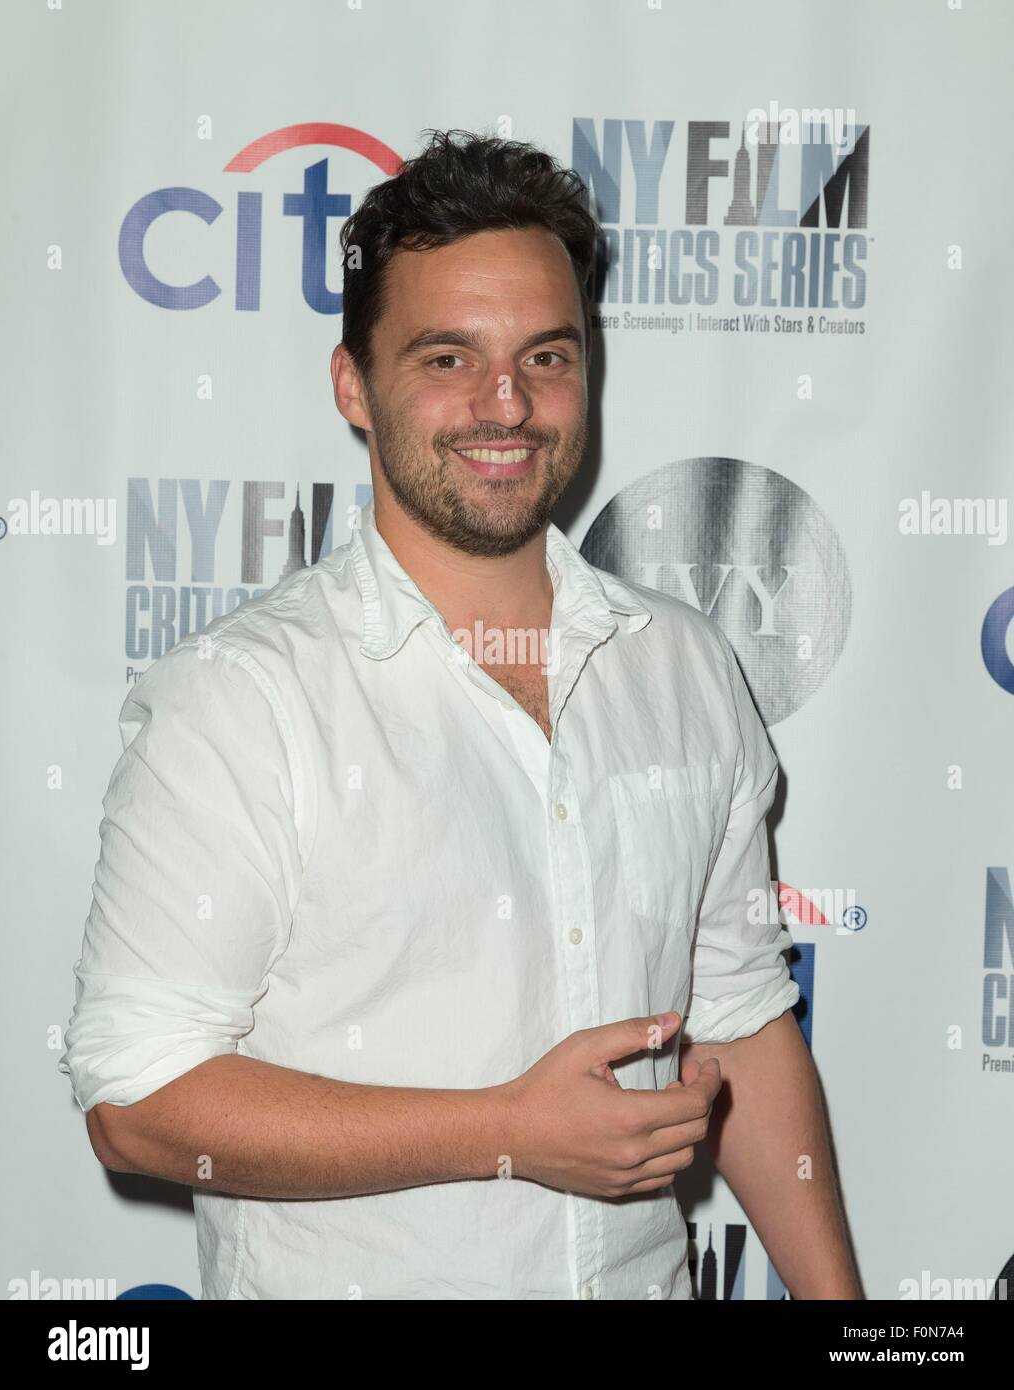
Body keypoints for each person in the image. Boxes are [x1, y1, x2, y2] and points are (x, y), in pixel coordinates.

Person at [59, 128, 861, 1301]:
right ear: (353, 385)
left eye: (546, 355)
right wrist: (500, 1129)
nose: (506, 403)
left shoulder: (683, 668)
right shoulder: (241, 701)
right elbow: (135, 1104)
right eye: (447, 358)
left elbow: (735, 1023)